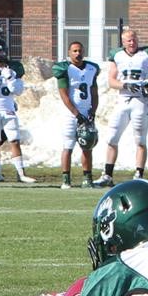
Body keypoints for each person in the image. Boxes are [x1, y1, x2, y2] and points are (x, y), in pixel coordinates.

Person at [96, 29, 148, 186]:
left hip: (140, 101)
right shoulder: (117, 56)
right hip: (123, 100)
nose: (132, 43)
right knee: (112, 138)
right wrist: (125, 85)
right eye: (129, 40)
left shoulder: (147, 54)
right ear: (123, 42)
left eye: (134, 39)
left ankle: (139, 174)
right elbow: (111, 81)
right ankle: (108, 175)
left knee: (140, 141)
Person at [0, 40, 34, 183]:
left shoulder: (13, 69)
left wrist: (10, 78)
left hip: (8, 110)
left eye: (0, 52)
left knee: (15, 140)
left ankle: (21, 173)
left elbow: (18, 90)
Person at [53, 40, 101, 189]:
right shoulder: (64, 69)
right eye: (74, 51)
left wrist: (93, 111)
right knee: (68, 145)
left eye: (80, 50)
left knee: (87, 145)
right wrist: (76, 114)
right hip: (70, 113)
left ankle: (87, 177)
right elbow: (64, 95)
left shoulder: (91, 69)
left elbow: (94, 92)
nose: (77, 53)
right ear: (69, 53)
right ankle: (66, 179)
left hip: (86, 112)